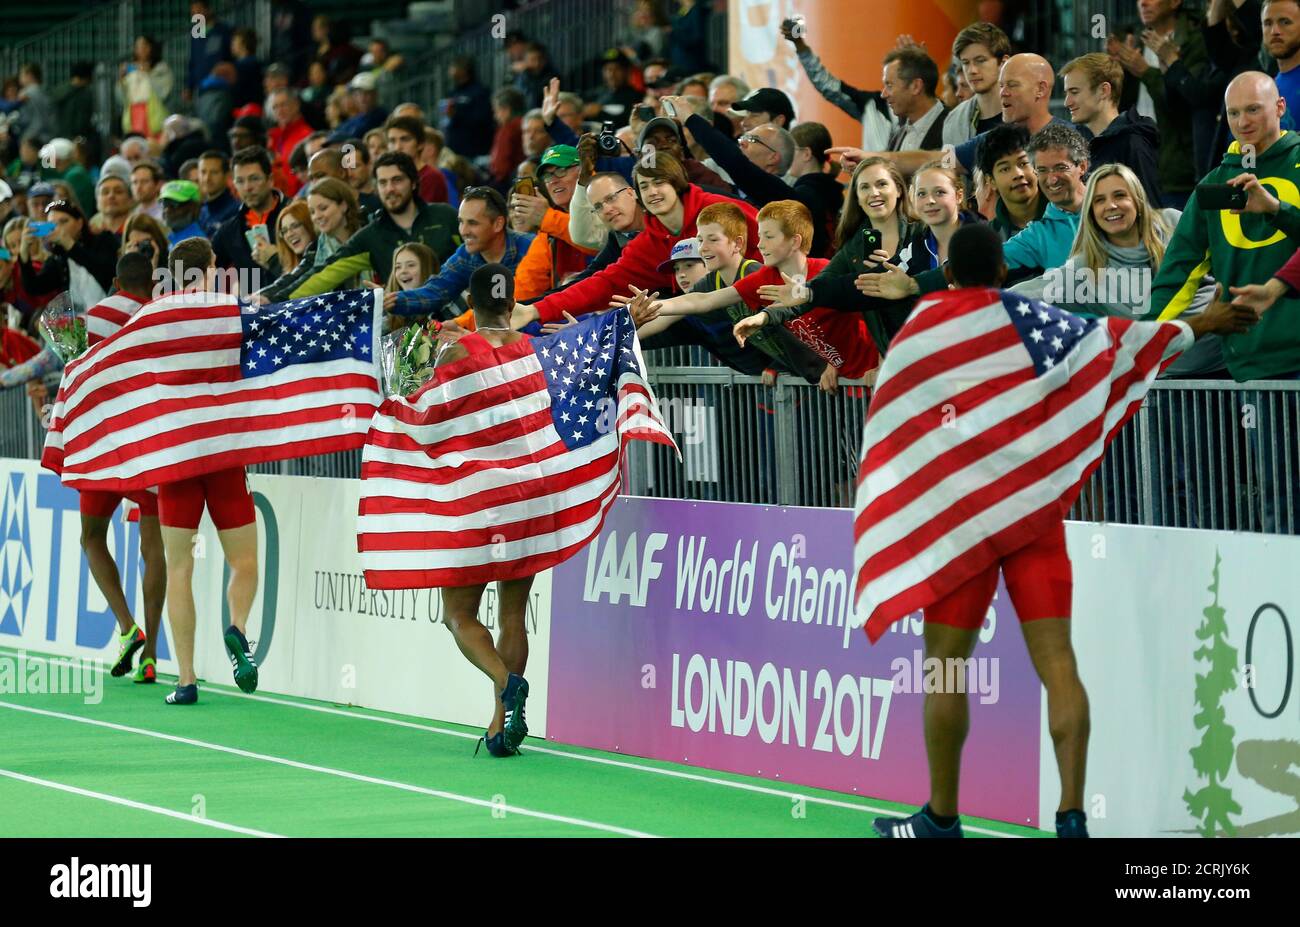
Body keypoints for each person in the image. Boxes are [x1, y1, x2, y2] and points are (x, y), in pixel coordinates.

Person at [865, 222, 1255, 838]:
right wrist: (1203, 323)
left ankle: (941, 819)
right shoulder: (1027, 320)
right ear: (1000, 271)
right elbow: (1118, 343)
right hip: (1032, 520)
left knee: (944, 668)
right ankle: (1072, 817)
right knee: (1059, 666)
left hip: (960, 528)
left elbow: (893, 428)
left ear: (950, 269)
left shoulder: (921, 330)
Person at [428, 262, 532, 757]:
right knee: (514, 615)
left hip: (474, 496)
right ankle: (499, 726)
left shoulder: (454, 348)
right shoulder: (530, 349)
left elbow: (430, 416)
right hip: (524, 496)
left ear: (470, 307)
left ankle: (504, 684)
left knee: (457, 614)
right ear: (511, 304)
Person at [156, 236, 260, 705]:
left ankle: (185, 678)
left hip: (178, 453)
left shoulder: (155, 319)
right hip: (222, 451)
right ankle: (237, 628)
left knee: (179, 568)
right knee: (245, 562)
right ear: (211, 267)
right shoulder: (231, 309)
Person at [638, 199, 876, 392]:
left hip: (874, 372)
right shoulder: (763, 277)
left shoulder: (825, 270)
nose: (760, 244)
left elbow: (873, 308)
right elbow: (702, 300)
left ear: (795, 241)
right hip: (842, 382)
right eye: (760, 236)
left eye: (769, 237)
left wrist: (883, 360)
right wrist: (642, 309)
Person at [511, 151, 760, 328]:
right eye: (645, 186)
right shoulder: (648, 243)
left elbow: (776, 246)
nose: (652, 192)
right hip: (726, 329)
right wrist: (535, 310)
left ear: (676, 183)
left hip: (775, 311)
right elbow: (602, 284)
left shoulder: (718, 208)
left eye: (658, 182)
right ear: (637, 192)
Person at [76, 252, 168, 683]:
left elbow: (73, 370)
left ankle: (127, 625)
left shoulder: (94, 317)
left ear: (115, 281)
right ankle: (150, 655)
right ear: (155, 283)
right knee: (154, 549)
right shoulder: (160, 315)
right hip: (149, 444)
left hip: (101, 443)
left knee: (92, 537)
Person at [285, 152, 460, 299]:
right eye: (383, 183)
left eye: (397, 180)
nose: (390, 188)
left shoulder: (444, 216)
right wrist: (276, 300)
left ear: (413, 182)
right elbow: (323, 274)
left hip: (458, 320)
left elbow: (477, 257)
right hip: (405, 329)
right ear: (377, 188)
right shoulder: (370, 236)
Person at [1106, 0, 1212, 207]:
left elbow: (1185, 102)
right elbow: (1122, 106)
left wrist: (1146, 72)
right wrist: (1118, 71)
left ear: (1174, 2)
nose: (1143, 3)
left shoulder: (1195, 39)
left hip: (1179, 170)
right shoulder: (1136, 40)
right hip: (1137, 164)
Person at [385, 186, 532, 319]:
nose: (463, 231)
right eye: (461, 222)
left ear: (498, 224)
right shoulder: (465, 256)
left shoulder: (531, 247)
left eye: (472, 223)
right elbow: (435, 292)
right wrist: (391, 300)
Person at [1061, 53, 1163, 203]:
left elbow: (1151, 212)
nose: (1067, 102)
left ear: (1104, 90)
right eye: (1066, 93)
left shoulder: (1133, 143)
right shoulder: (1076, 144)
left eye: (1074, 92)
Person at [256, 177, 361, 301]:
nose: (317, 216)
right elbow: (297, 278)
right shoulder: (318, 248)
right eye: (312, 212)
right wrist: (264, 297)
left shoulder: (365, 234)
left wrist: (273, 299)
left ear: (343, 205)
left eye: (323, 208)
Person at [18, 199, 118, 309]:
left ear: (79, 223)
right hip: (79, 322)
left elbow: (108, 274)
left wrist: (70, 245)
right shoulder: (58, 256)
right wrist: (24, 253)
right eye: (52, 225)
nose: (57, 228)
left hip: (113, 312)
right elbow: (34, 287)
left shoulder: (103, 239)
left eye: (63, 221)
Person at [212, 146, 286, 286]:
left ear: (270, 180)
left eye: (254, 179)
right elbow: (204, 273)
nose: (247, 187)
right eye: (240, 181)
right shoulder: (228, 231)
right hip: (253, 307)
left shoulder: (295, 214)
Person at [944, 22, 1013, 146]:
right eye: (965, 63)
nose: (972, 70)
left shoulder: (1024, 113)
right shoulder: (954, 119)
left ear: (1003, 63)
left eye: (980, 61)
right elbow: (948, 163)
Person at [977, 124, 1047, 240]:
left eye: (1023, 163)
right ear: (991, 181)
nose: (1018, 174)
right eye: (1005, 169)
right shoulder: (988, 239)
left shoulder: (1066, 215)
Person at [119, 35, 174, 143]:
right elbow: (122, 97)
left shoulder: (161, 68)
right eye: (138, 46)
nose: (141, 49)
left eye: (145, 45)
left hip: (153, 114)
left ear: (152, 48)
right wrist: (121, 80)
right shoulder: (130, 70)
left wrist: (149, 73)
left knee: (153, 145)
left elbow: (164, 93)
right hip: (133, 113)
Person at [440, 56, 495, 160]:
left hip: (474, 151)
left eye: (453, 67)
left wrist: (456, 114)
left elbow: (483, 118)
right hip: (453, 150)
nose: (450, 71)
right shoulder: (452, 92)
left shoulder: (480, 92)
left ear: (464, 69)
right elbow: (446, 119)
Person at [386, 115, 449, 204]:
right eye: (392, 141)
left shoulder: (431, 177)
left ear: (420, 144)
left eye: (405, 139)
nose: (397, 147)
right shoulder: (387, 176)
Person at [197, 150, 239, 237]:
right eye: (203, 172)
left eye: (214, 172)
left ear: (227, 175)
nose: (207, 178)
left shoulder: (236, 211)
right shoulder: (200, 211)